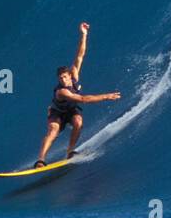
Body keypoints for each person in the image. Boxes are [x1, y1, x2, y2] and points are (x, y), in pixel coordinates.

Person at [36, 22, 121, 167]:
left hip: (71, 110)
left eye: (65, 77)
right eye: (60, 78)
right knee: (53, 131)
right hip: (57, 112)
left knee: (78, 123)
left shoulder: (74, 74)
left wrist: (84, 34)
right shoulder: (61, 91)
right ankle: (41, 160)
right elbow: (83, 99)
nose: (63, 80)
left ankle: (70, 151)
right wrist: (106, 96)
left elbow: (80, 54)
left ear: (70, 75)